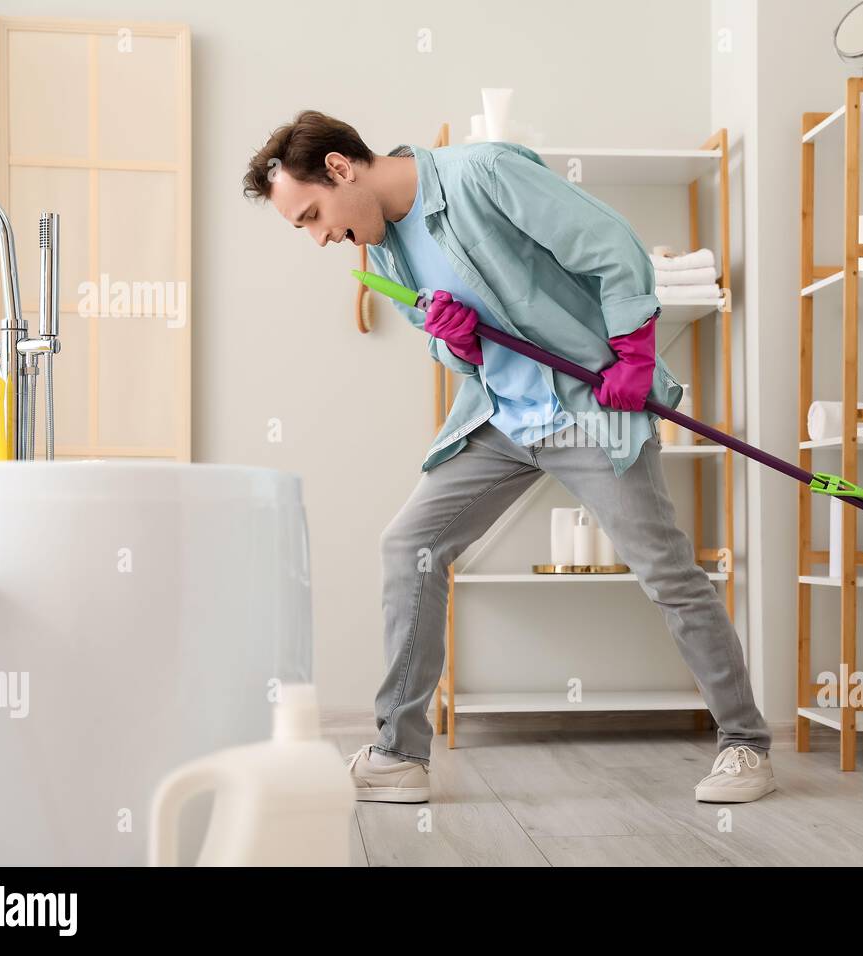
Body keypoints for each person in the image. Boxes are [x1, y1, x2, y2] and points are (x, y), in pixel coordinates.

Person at [243, 110, 773, 804]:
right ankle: (399, 754)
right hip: (501, 419)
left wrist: (635, 352)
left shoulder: (481, 174)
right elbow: (447, 346)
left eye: (312, 215)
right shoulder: (386, 251)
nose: (319, 238)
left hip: (588, 407)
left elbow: (611, 245)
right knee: (411, 546)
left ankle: (746, 746)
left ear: (341, 168)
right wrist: (456, 344)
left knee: (667, 572)